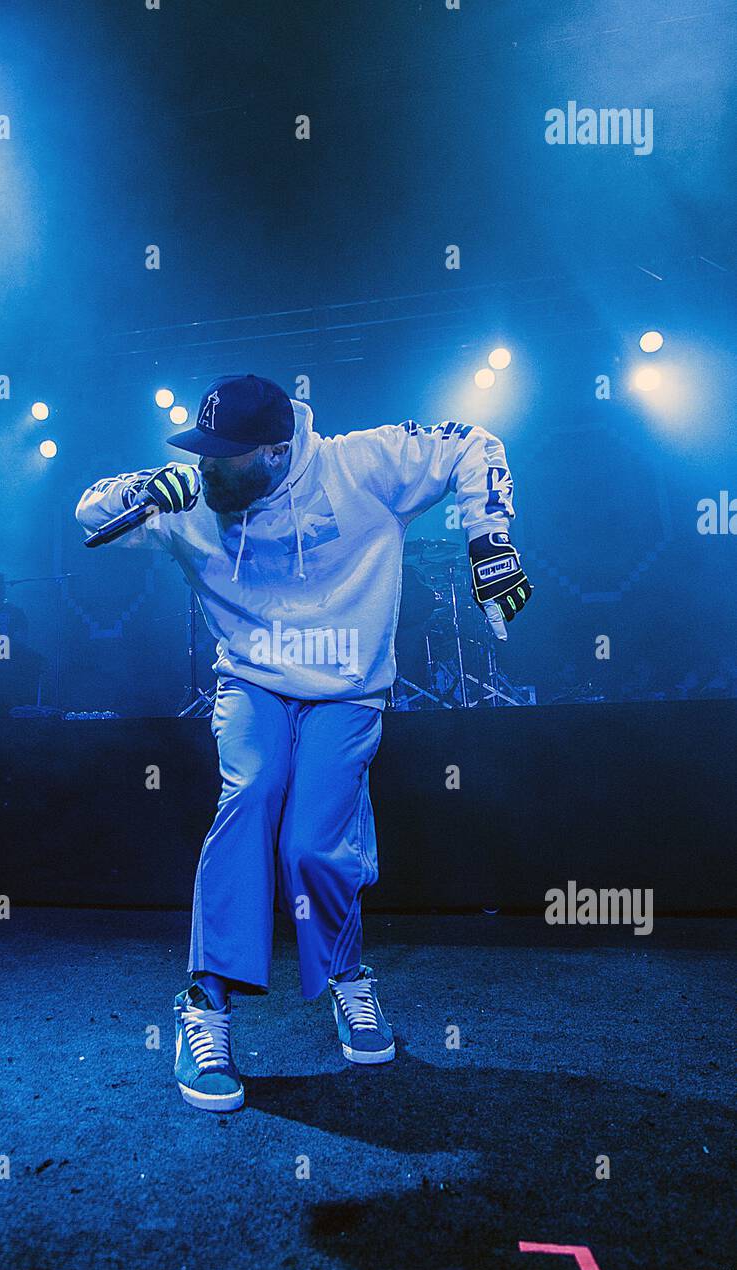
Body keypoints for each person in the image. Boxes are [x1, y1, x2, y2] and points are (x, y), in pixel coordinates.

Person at [76, 374, 532, 1112]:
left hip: (347, 687)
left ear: (279, 449)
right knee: (251, 792)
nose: (210, 466)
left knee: (313, 848)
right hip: (252, 680)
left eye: (227, 455)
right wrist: (141, 491)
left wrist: (490, 539)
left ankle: (348, 976)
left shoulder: (361, 464)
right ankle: (207, 1004)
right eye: (203, 451)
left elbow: (471, 443)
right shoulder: (191, 494)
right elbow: (88, 511)